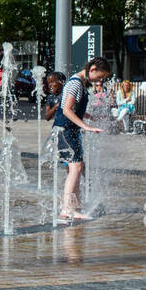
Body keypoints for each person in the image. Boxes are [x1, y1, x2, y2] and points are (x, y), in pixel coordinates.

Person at [55, 56, 112, 221]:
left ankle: (75, 204)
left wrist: (88, 116)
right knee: (76, 168)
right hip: (66, 130)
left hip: (70, 131)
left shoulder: (79, 82)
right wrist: (86, 126)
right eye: (100, 76)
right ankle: (67, 209)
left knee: (75, 168)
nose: (100, 80)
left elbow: (72, 107)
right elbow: (66, 109)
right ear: (92, 69)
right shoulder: (75, 83)